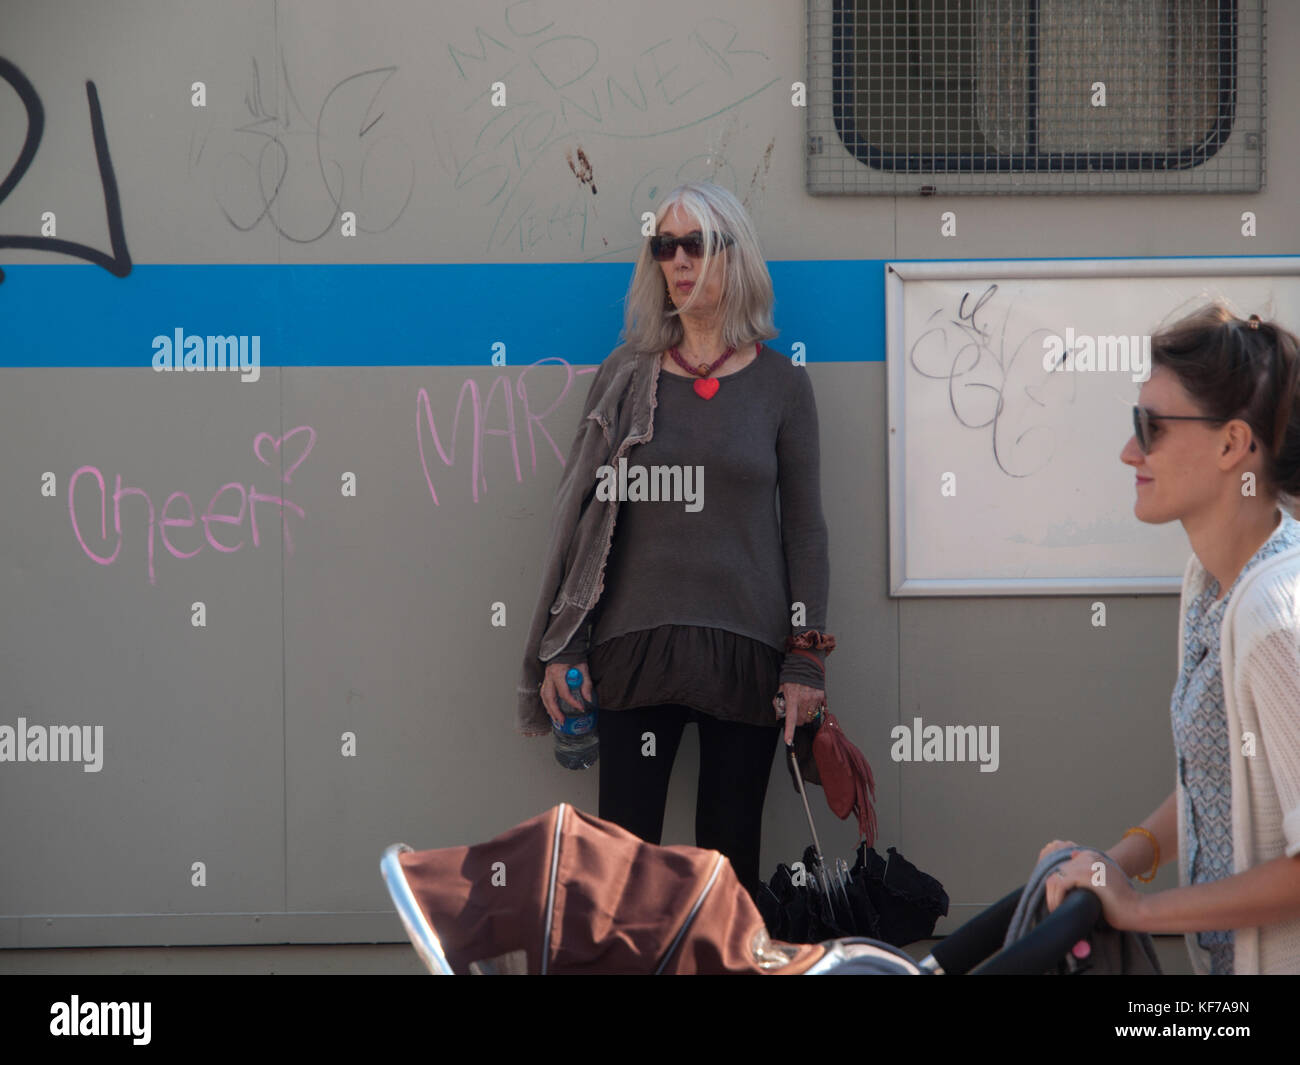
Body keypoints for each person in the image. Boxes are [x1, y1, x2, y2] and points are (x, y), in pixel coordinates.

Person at [515, 181, 832, 900]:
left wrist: (806, 660)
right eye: (665, 245)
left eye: (697, 244)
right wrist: (566, 643)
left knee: (728, 882)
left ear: (734, 255)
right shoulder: (626, 376)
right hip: (635, 653)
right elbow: (583, 519)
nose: (680, 260)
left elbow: (806, 531)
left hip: (745, 659)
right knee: (617, 879)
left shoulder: (784, 386)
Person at [1040, 304, 1300, 974]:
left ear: (1231, 445)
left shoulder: (1275, 614)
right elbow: (1221, 776)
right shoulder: (1210, 584)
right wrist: (1110, 865)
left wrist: (1139, 910)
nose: (1130, 450)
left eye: (1149, 427)